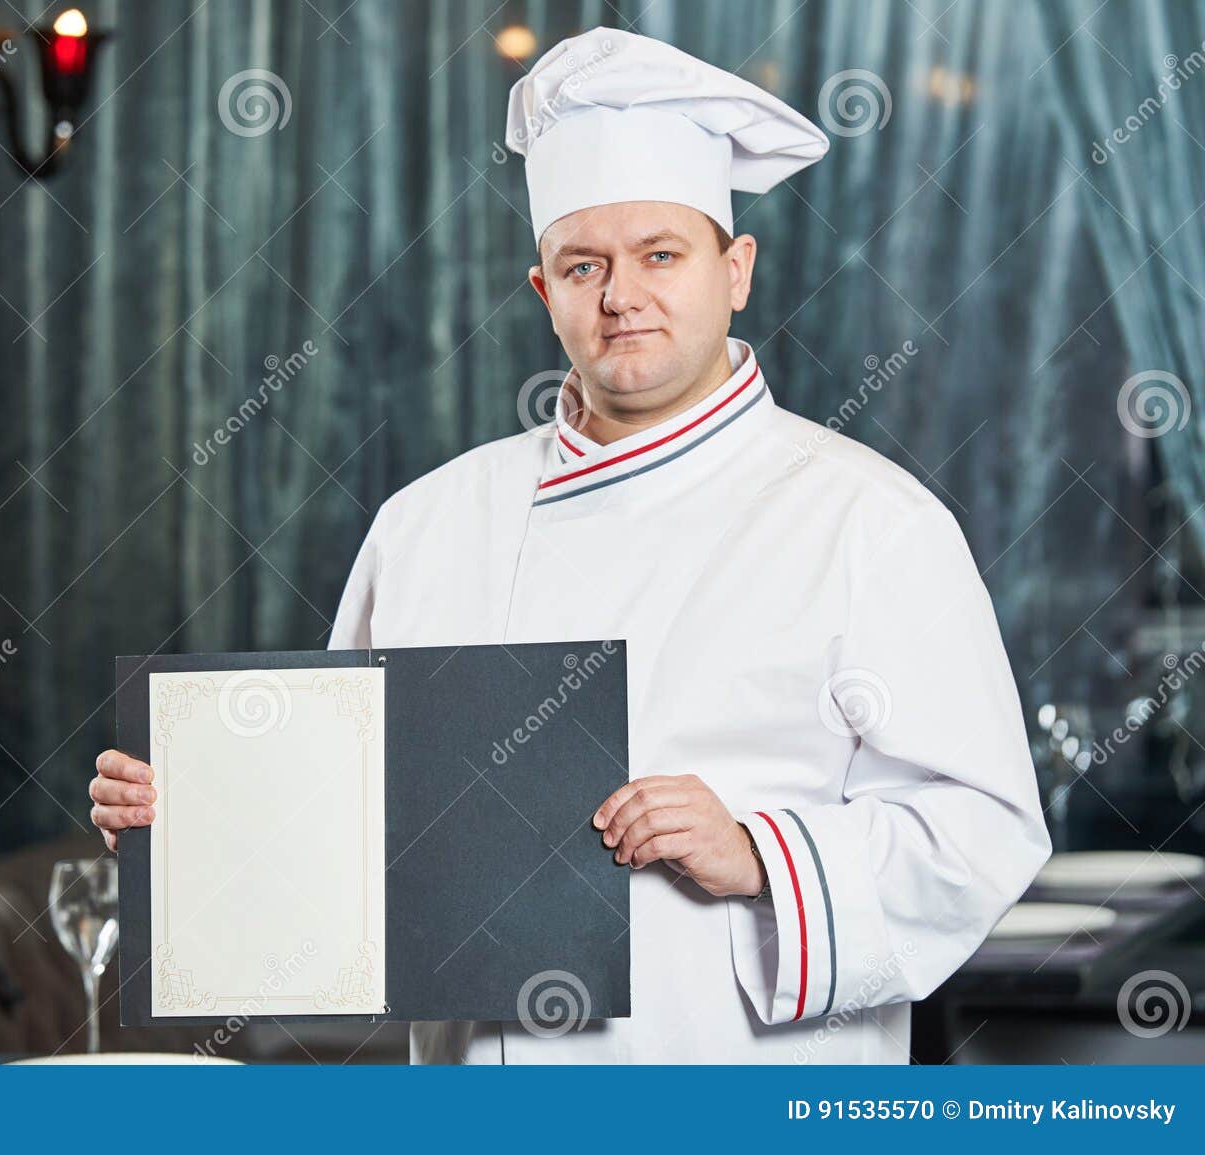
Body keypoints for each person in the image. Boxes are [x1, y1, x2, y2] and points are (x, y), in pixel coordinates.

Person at [90, 26, 1050, 1063]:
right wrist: (196, 824)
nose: (621, 295)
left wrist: (762, 854)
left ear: (736, 271)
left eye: (660, 256)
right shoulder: (425, 523)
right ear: (545, 291)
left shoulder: (866, 519)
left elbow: (983, 831)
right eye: (583, 265)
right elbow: (350, 829)